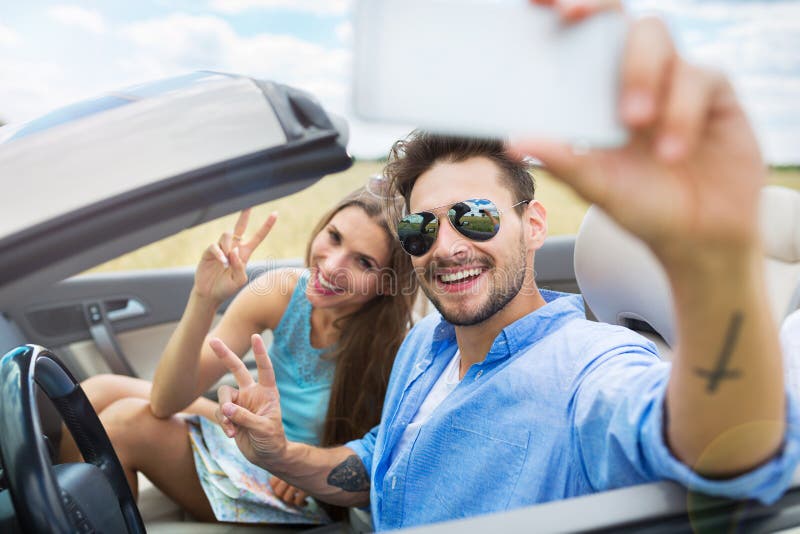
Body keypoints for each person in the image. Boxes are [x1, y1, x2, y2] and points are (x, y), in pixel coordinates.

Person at [205, 0, 800, 530]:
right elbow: (378, 461)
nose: (445, 246)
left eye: (476, 217)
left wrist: (714, 265)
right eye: (420, 228)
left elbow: (726, 449)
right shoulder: (422, 346)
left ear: (533, 225)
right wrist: (282, 454)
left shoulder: (588, 368)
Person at [59, 186, 418, 524]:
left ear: (388, 282)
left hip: (299, 485)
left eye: (364, 263)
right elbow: (165, 401)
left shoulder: (396, 348)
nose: (332, 265)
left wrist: (304, 469)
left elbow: (376, 460)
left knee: (126, 424)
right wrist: (204, 298)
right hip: (253, 439)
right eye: (334, 237)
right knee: (93, 394)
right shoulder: (281, 293)